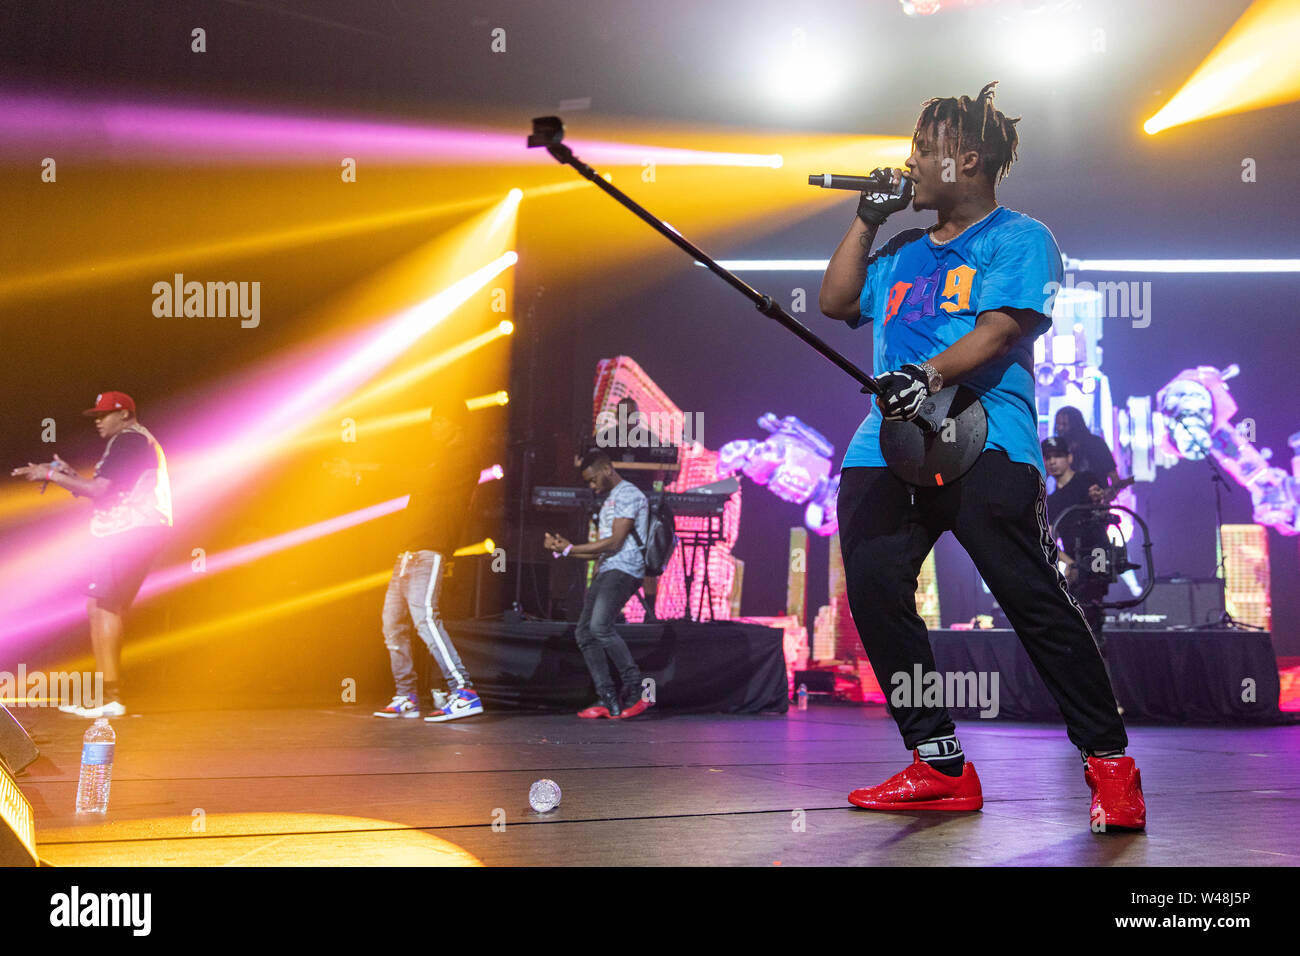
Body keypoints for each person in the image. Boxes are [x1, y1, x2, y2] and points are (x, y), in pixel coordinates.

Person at [818, 82, 1144, 830]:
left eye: (921, 152)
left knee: (1032, 599)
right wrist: (868, 218)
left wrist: (928, 373)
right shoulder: (900, 249)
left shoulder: (1018, 237)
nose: (908, 164)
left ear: (964, 160)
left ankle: (1111, 765)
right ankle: (938, 764)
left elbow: (1000, 331)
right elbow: (836, 302)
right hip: (886, 445)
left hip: (985, 437)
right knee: (873, 589)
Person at [11, 391, 172, 718]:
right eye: (95, 417)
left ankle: (111, 697)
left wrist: (50, 476)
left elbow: (99, 491)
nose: (98, 422)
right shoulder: (130, 442)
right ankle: (107, 695)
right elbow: (103, 490)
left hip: (131, 530)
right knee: (98, 605)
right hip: (131, 530)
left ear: (125, 414)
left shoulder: (129, 441)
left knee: (106, 607)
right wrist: (67, 475)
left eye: (103, 415)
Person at [339, 399, 484, 722]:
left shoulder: (463, 457)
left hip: (430, 549)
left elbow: (420, 477)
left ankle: (464, 691)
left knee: (426, 619)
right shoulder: (439, 459)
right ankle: (406, 695)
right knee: (392, 623)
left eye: (439, 421)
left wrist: (370, 468)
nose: (433, 427)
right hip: (407, 552)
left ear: (455, 423)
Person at [544, 449, 653, 719]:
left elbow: (615, 543)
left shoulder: (628, 494)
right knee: (584, 633)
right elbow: (600, 550)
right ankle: (608, 699)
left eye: (593, 480)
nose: (592, 486)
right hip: (608, 568)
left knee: (599, 627)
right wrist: (566, 549)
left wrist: (573, 548)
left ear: (607, 469)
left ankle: (636, 690)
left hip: (624, 568)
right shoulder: (611, 500)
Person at [1042, 437, 1112, 652]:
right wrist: (1069, 562)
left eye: (1058, 456)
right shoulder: (1051, 500)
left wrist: (1098, 497)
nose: (1053, 462)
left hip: (1099, 551)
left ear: (1069, 457)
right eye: (1049, 458)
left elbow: (1100, 499)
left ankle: (1096, 644)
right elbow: (1049, 538)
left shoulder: (1086, 479)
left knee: (1093, 599)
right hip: (1075, 559)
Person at [1054, 406, 1119, 490]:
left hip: (1095, 501)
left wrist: (1106, 496)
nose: (1060, 428)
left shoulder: (1096, 444)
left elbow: (1114, 477)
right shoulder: (1058, 447)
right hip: (1065, 502)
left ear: (1075, 424)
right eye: (1058, 424)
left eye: (1064, 424)